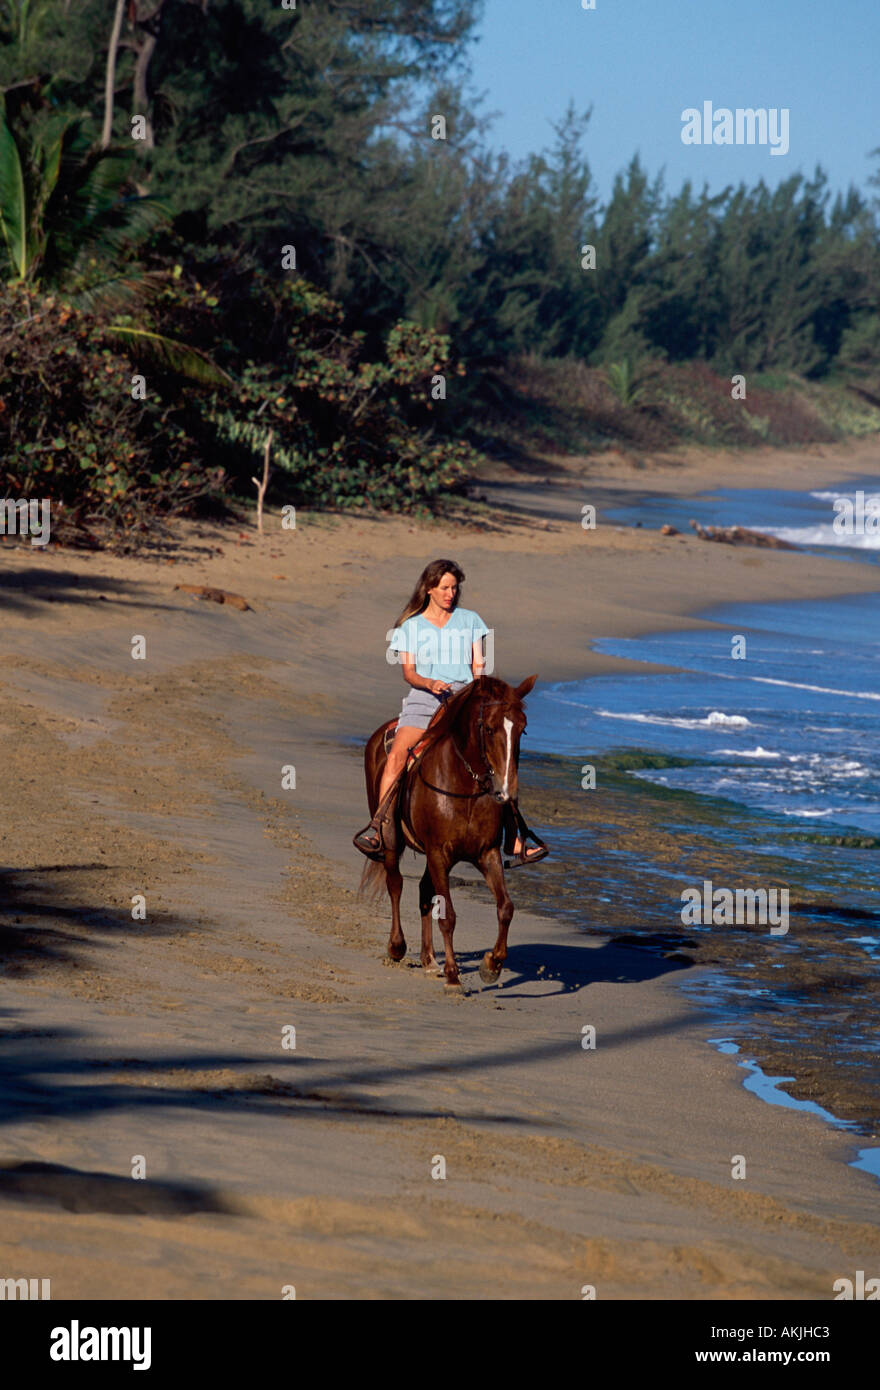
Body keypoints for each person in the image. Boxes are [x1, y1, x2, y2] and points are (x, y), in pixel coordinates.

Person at [353, 558, 547, 865]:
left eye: (455, 588)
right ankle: (378, 826)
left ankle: (515, 837)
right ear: (429, 588)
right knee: (397, 755)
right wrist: (431, 683)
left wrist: (477, 692)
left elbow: (478, 666)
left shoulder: (470, 620)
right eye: (445, 587)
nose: (451, 594)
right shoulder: (411, 626)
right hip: (425, 697)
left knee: (500, 756)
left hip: (465, 699)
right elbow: (409, 673)